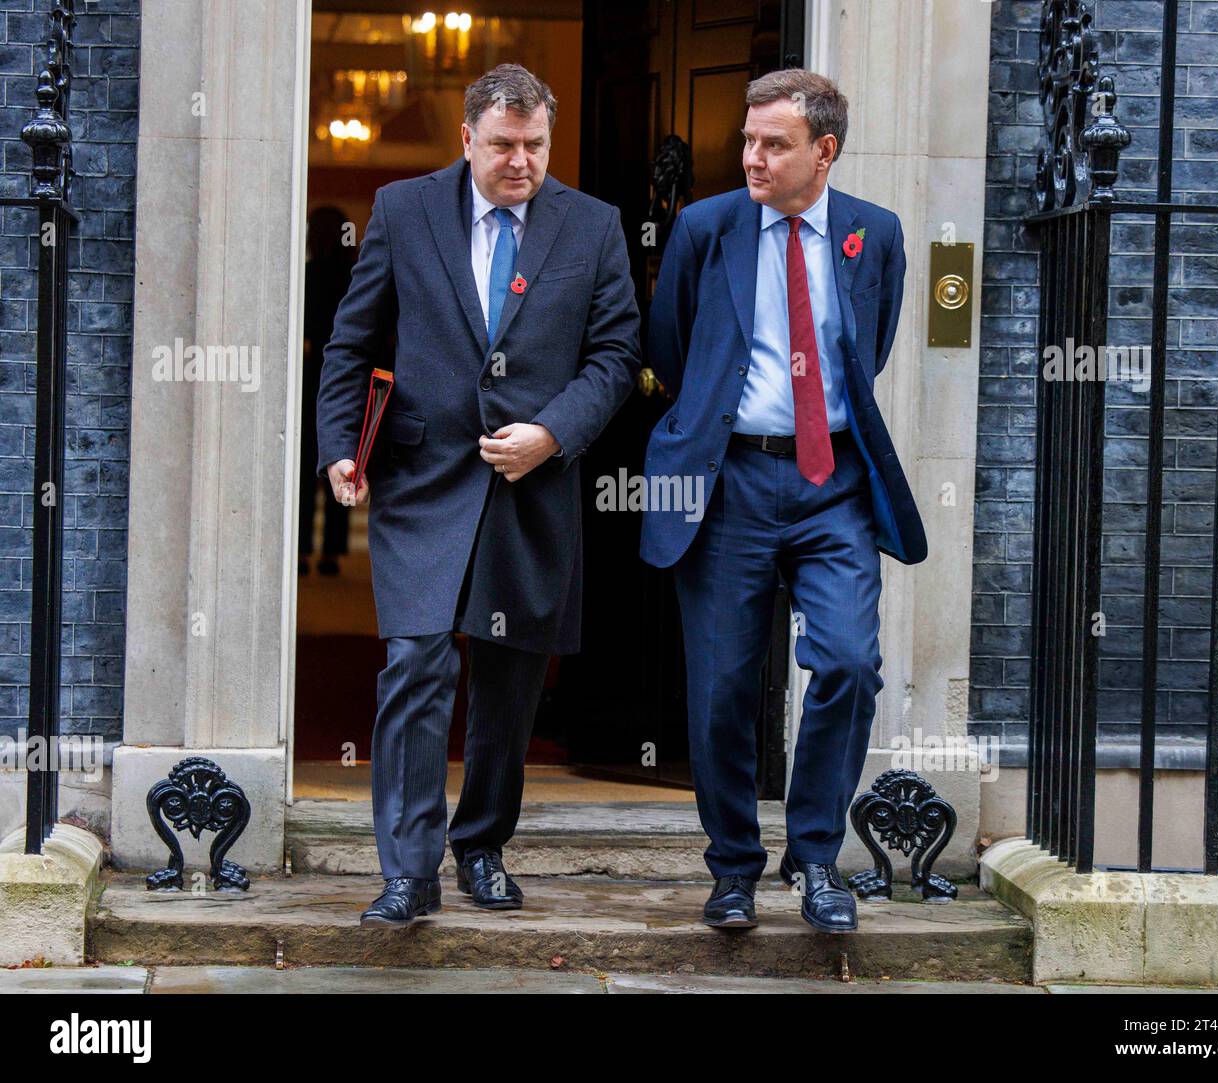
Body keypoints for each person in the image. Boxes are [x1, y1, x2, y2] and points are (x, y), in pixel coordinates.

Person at [316, 63, 641, 927]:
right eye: (504, 145)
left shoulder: (595, 226)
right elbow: (351, 344)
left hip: (532, 489)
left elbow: (615, 358)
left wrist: (553, 433)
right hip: (423, 481)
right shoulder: (404, 209)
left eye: (536, 144)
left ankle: (482, 847)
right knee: (415, 663)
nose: (522, 161)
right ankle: (408, 870)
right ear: (467, 138)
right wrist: (341, 450)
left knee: (508, 682)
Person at [639, 69, 928, 933]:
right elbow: (672, 348)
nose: (753, 157)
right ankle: (732, 867)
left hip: (832, 481)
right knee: (723, 686)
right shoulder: (704, 227)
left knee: (846, 660)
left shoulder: (875, 234)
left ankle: (813, 857)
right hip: (726, 481)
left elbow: (864, 352)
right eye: (748, 140)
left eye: (775, 144)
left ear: (824, 151)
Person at [299, 205, 357, 577]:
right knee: (344, 463)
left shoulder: (305, 276)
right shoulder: (352, 277)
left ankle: (302, 549)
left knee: (306, 467)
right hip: (347, 380)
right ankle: (332, 552)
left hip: (310, 375)